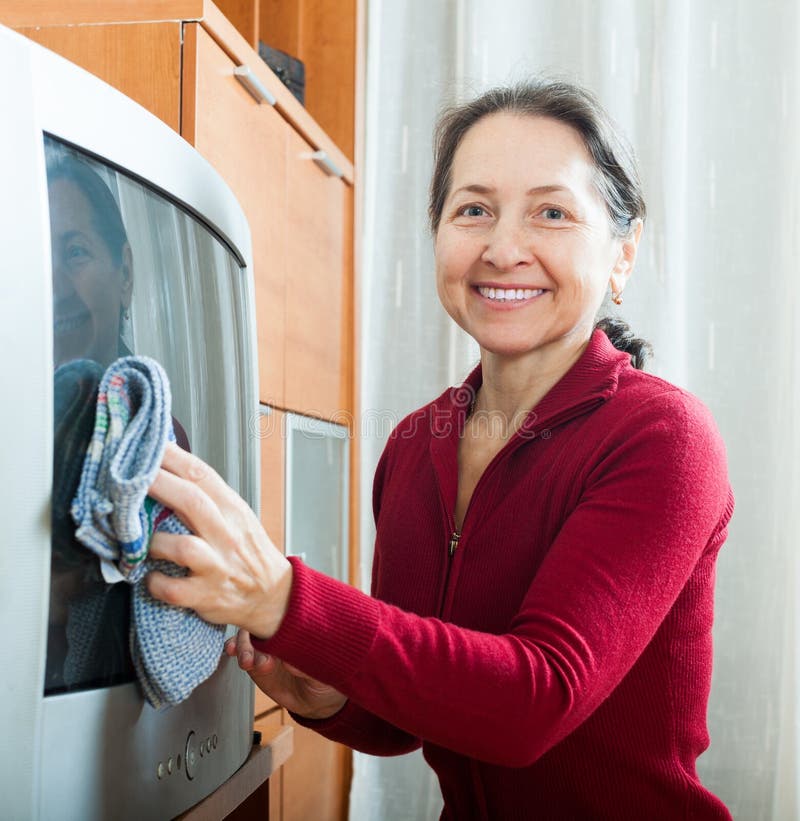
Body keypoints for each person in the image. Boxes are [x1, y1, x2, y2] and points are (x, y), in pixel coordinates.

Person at [146, 79, 734, 820]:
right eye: (474, 210)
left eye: (551, 212)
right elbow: (421, 708)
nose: (503, 247)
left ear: (623, 250)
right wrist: (331, 696)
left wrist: (287, 600)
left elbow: (531, 702)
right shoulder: (414, 445)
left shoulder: (664, 438)